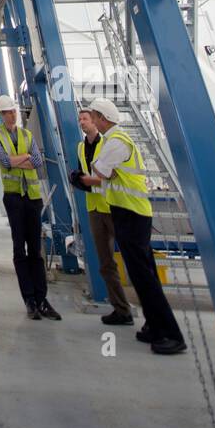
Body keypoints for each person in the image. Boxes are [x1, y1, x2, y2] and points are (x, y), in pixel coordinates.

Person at [78, 100, 186, 355]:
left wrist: (85, 178)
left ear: (102, 118)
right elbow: (108, 177)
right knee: (142, 274)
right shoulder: (119, 140)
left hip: (131, 214)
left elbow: (100, 170)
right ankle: (153, 324)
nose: (91, 120)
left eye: (93, 117)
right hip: (128, 212)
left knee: (144, 277)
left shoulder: (115, 142)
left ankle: (171, 333)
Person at [0, 95, 61, 321]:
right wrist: (26, 157)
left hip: (32, 198)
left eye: (13, 111)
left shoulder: (26, 134)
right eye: (8, 112)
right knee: (19, 250)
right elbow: (5, 162)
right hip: (13, 198)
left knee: (36, 251)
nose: (12, 114)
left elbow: (38, 162)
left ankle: (42, 299)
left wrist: (19, 159)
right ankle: (29, 299)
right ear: (2, 115)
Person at [70, 107, 133, 326]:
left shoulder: (109, 144)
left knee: (132, 260)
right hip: (94, 208)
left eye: (86, 119)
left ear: (97, 121)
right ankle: (121, 309)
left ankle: (147, 309)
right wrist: (78, 179)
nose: (82, 122)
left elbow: (110, 176)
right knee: (105, 262)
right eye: (80, 120)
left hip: (114, 205)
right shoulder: (80, 147)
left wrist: (87, 181)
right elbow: (84, 174)